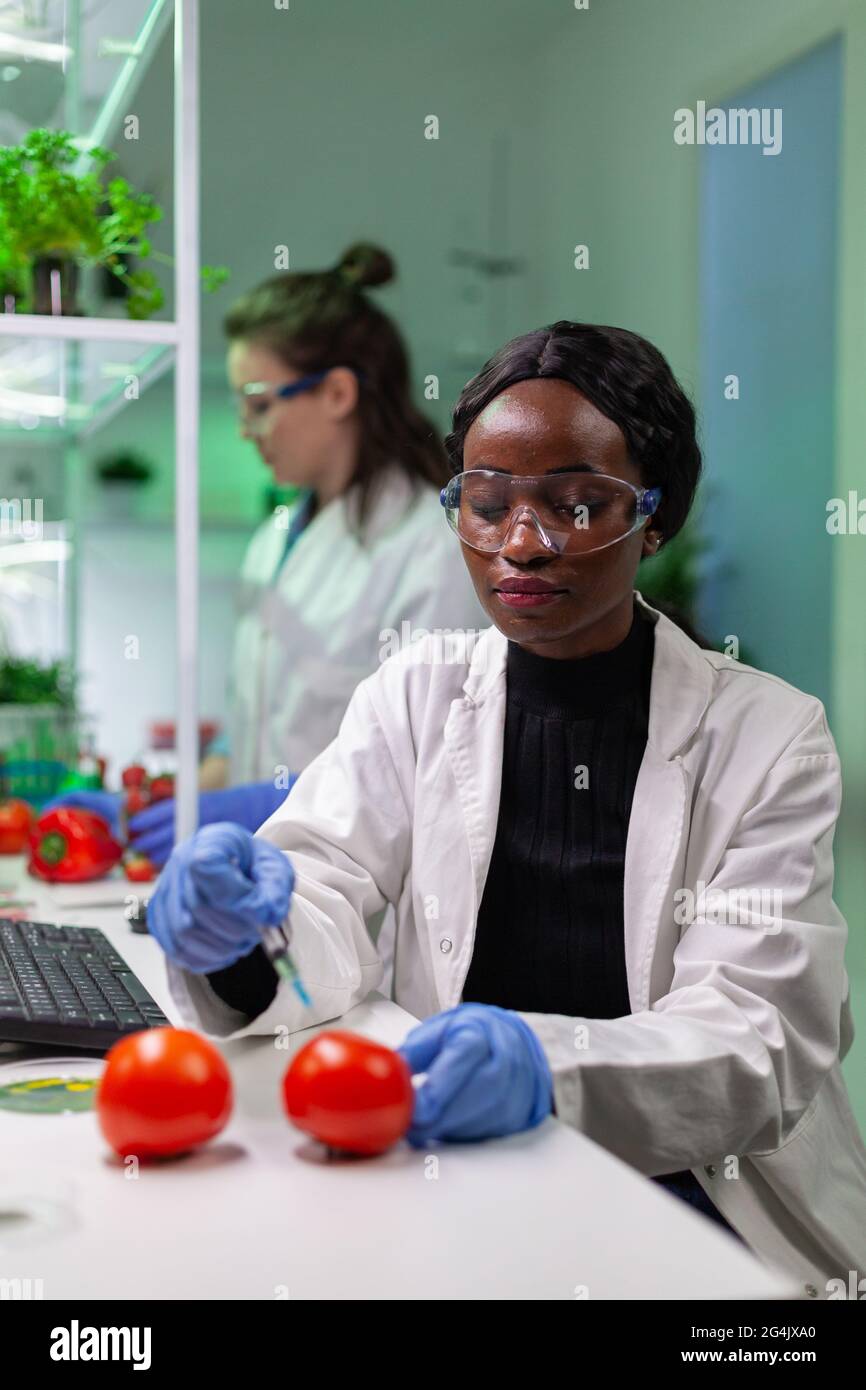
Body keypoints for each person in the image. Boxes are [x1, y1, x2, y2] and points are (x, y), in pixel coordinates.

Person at [148, 320, 866, 1292]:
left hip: (693, 1193)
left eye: (575, 504)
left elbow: (760, 1031)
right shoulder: (416, 691)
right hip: (461, 1159)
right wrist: (243, 934)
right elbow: (322, 890)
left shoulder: (767, 736)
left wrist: (545, 1064)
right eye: (486, 503)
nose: (519, 544)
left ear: (653, 518)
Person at [50, 243, 486, 861]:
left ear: (337, 393)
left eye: (258, 405)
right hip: (264, 889)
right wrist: (161, 807)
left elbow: (425, 767)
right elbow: (249, 725)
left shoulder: (428, 548)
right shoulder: (273, 541)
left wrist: (262, 807)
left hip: (364, 902)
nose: (243, 429)